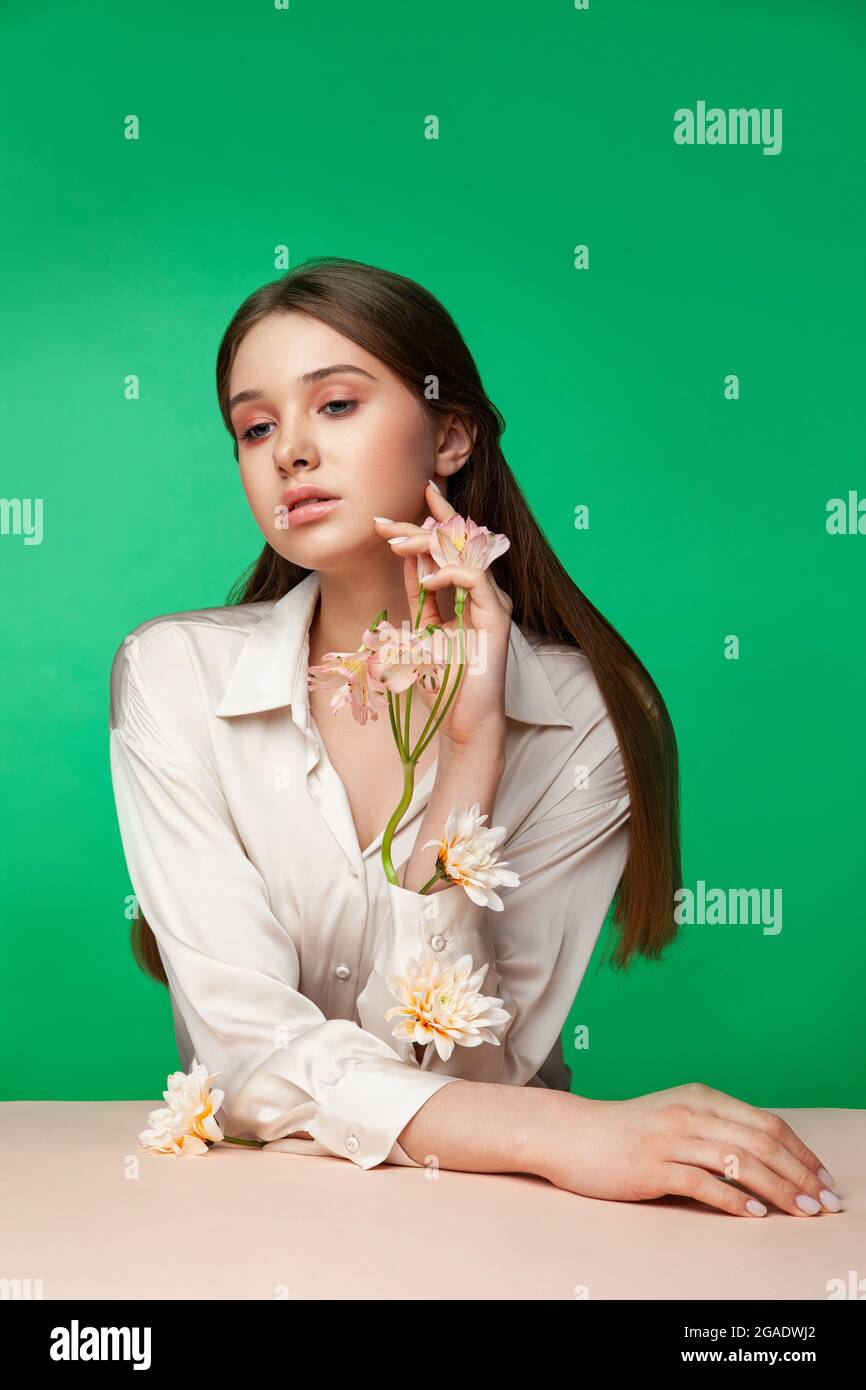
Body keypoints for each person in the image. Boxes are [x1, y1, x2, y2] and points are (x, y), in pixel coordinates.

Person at [108, 257, 839, 1218]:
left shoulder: (586, 720)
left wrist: (470, 753)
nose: (287, 451)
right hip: (258, 1218)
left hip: (498, 1219)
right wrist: (572, 1133)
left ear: (449, 435)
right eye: (255, 426)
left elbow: (474, 1062)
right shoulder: (173, 679)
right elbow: (246, 1060)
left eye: (334, 405)